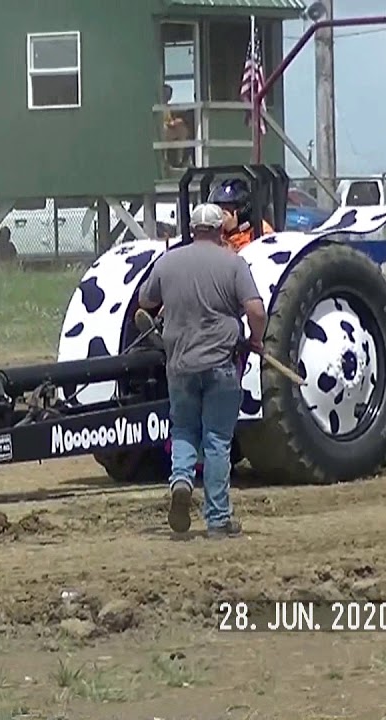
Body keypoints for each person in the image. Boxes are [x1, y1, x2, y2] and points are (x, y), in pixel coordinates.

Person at [136, 203, 268, 538]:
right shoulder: (233, 263)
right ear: (221, 231)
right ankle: (218, 519)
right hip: (221, 364)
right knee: (217, 440)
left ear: (192, 229)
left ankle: (181, 480)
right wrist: (256, 339)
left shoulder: (168, 261)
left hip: (180, 364)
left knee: (183, 430)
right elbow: (256, 310)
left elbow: (145, 300)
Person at [209, 178, 274, 253]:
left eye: (228, 208)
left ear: (243, 208)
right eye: (220, 207)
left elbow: (249, 255)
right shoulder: (218, 230)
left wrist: (233, 232)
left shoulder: (261, 229)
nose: (223, 214)